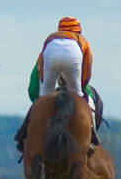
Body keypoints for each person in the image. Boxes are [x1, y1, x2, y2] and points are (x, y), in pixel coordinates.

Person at [14, 16, 100, 155]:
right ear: (78, 31)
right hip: (74, 54)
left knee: (43, 98)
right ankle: (91, 137)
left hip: (50, 53)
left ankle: (23, 135)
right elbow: (86, 70)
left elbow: (37, 81)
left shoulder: (51, 39)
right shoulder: (81, 41)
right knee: (80, 97)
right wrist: (82, 88)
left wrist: (44, 93)